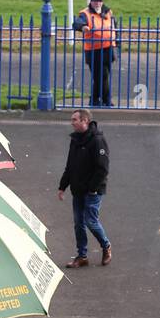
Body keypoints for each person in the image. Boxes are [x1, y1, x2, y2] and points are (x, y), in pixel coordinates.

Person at [58, 108, 112, 268]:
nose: (72, 122)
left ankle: (106, 246)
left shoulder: (97, 140)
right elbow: (70, 166)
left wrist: (93, 189)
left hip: (92, 191)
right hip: (78, 190)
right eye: (72, 119)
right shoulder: (75, 140)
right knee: (78, 223)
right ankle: (82, 256)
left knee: (90, 221)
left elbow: (102, 168)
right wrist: (62, 186)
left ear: (85, 121)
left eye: (75, 119)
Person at [73, 0, 117, 108]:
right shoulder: (85, 13)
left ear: (102, 2)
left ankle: (94, 100)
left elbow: (114, 27)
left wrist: (116, 43)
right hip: (94, 51)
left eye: (99, 1)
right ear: (91, 2)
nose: (97, 3)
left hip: (108, 49)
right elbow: (77, 23)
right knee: (101, 76)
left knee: (102, 76)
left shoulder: (108, 12)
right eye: (95, 1)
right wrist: (83, 27)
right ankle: (106, 100)